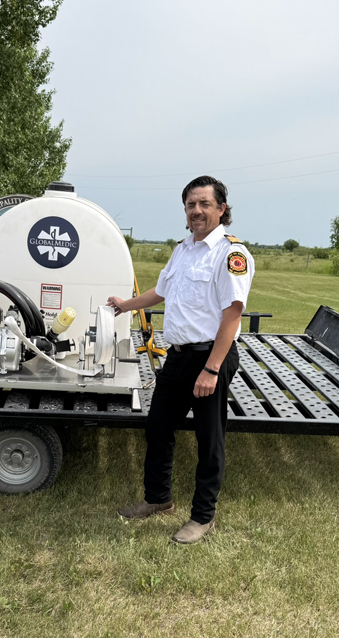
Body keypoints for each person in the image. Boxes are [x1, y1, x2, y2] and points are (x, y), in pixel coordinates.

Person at [107, 176, 254, 544]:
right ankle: (158, 500)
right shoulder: (183, 250)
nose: (197, 211)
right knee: (157, 428)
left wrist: (212, 369)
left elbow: (232, 315)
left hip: (209, 358)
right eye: (191, 205)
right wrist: (126, 305)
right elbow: (162, 290)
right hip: (177, 357)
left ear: (222, 209)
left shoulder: (232, 254)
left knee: (209, 440)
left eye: (205, 204)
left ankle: (202, 517)